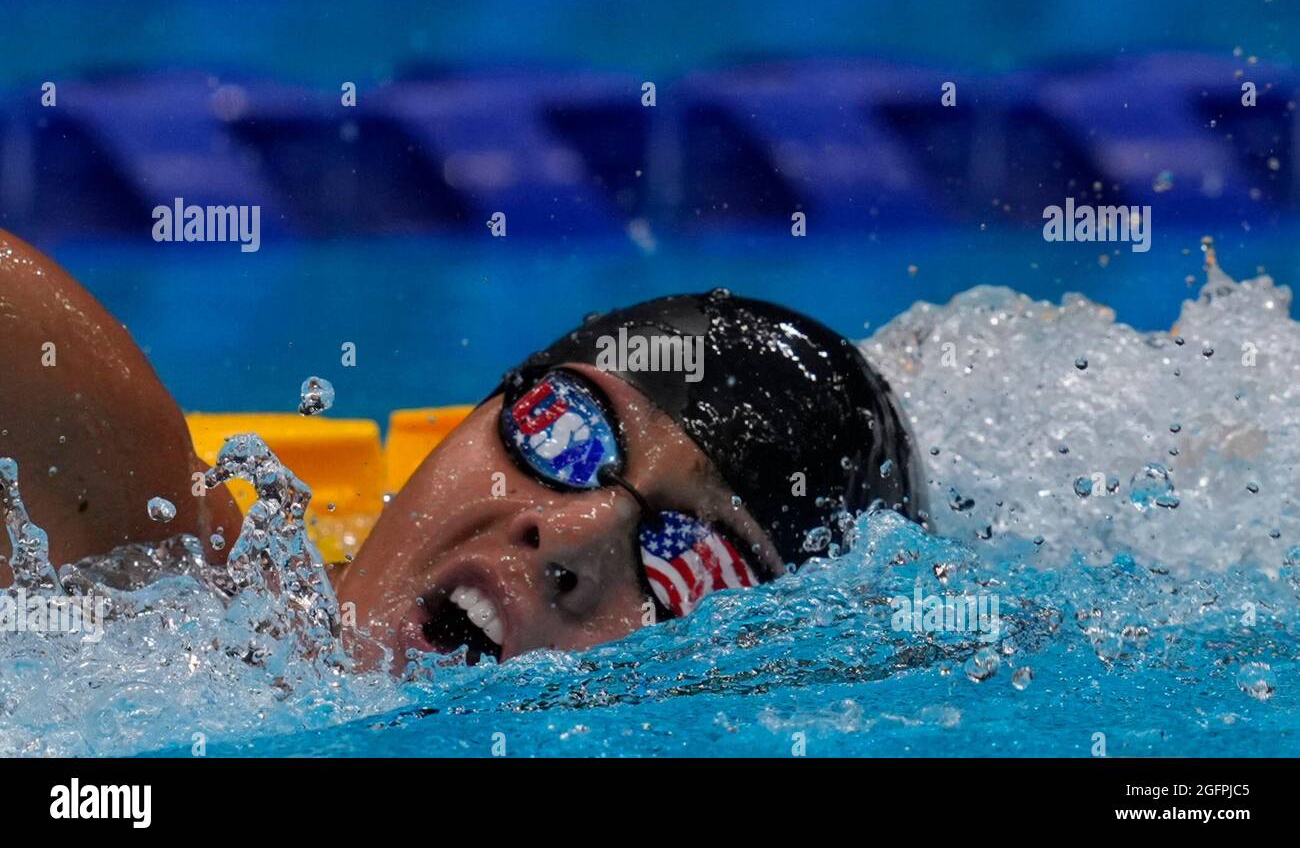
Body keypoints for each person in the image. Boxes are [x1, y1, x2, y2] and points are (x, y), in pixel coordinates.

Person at [0, 229, 923, 665]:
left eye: (694, 564)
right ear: (468, 422)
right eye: (566, 436)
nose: (570, 538)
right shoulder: (127, 559)